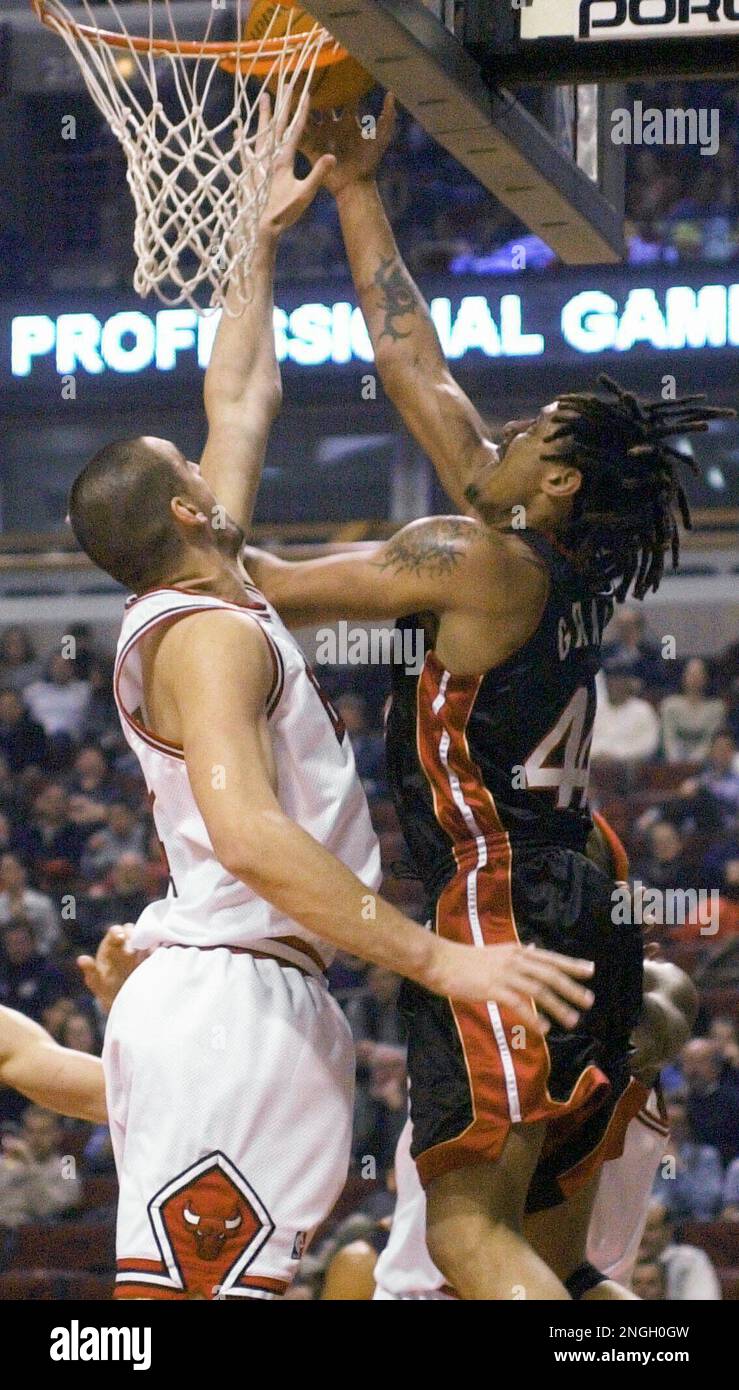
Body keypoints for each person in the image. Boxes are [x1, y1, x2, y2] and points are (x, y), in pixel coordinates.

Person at [65, 100, 590, 1302]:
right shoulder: (206, 634)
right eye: (197, 471)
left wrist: (252, 237)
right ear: (192, 512)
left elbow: (242, 394)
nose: (216, 461)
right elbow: (248, 836)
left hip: (253, 991)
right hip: (229, 995)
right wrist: (441, 962)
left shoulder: (218, 587)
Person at [244, 99, 729, 1300]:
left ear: (554, 480)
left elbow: (271, 587)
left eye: (528, 432)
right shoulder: (544, 561)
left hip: (506, 899)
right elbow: (416, 364)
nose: (500, 431)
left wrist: (180, 513)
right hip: (587, 891)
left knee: (465, 1235)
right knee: (550, 1263)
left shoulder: (466, 557)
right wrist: (357, 188)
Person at [0, 1103, 82, 1229]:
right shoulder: (5, 1163)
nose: (36, 1138)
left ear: (57, 1134)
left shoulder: (67, 1165)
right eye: (30, 1131)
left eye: (43, 1132)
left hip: (42, 1235)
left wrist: (30, 1166)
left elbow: (63, 1208)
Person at [639, 1200, 722, 1300]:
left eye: (650, 1229)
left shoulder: (690, 1260)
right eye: (637, 1230)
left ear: (668, 1230)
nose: (642, 1236)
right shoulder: (620, 1263)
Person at [590, 665, 661, 765]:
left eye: (619, 681)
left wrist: (616, 756)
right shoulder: (593, 709)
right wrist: (598, 755)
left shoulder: (643, 710)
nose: (614, 685)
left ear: (628, 684)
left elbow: (649, 744)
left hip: (629, 769)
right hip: (593, 766)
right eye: (611, 681)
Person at [660, 658, 726, 763]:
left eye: (699, 674)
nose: (694, 678)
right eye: (691, 674)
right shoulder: (669, 705)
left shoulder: (716, 708)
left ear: (706, 678)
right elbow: (669, 739)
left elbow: (710, 741)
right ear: (683, 677)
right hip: (673, 763)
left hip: (705, 763)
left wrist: (693, 763)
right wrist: (676, 763)